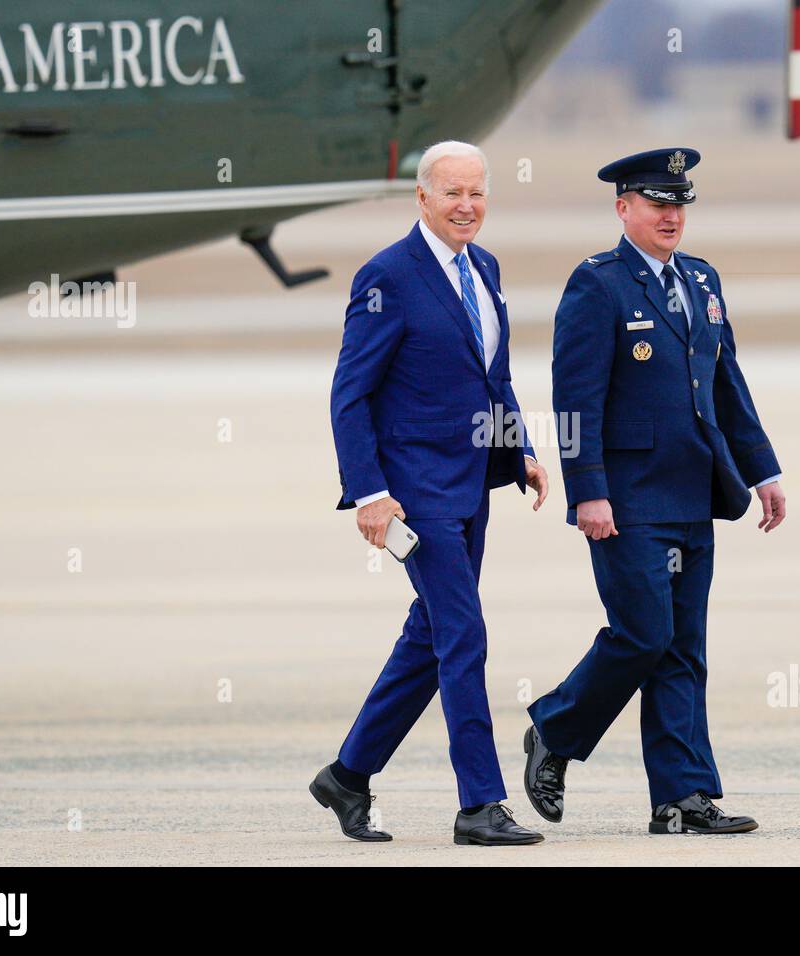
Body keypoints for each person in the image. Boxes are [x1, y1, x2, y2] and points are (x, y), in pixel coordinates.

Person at [523, 147, 786, 834]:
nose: (671, 215)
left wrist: (762, 468)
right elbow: (573, 398)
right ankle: (554, 729)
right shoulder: (597, 285)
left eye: (679, 203)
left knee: (683, 647)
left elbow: (726, 384)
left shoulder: (701, 280)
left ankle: (683, 799)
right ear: (624, 208)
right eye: (656, 203)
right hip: (628, 498)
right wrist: (588, 490)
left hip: (695, 490)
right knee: (644, 634)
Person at [311, 141, 548, 845]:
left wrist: (523, 449)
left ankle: (347, 776)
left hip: (473, 480)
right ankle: (480, 804)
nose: (467, 206)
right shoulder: (387, 276)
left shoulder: (486, 267)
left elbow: (491, 374)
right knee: (465, 633)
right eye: (452, 193)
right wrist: (369, 494)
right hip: (415, 495)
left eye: (477, 193)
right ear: (422, 197)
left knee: (433, 634)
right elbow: (349, 394)